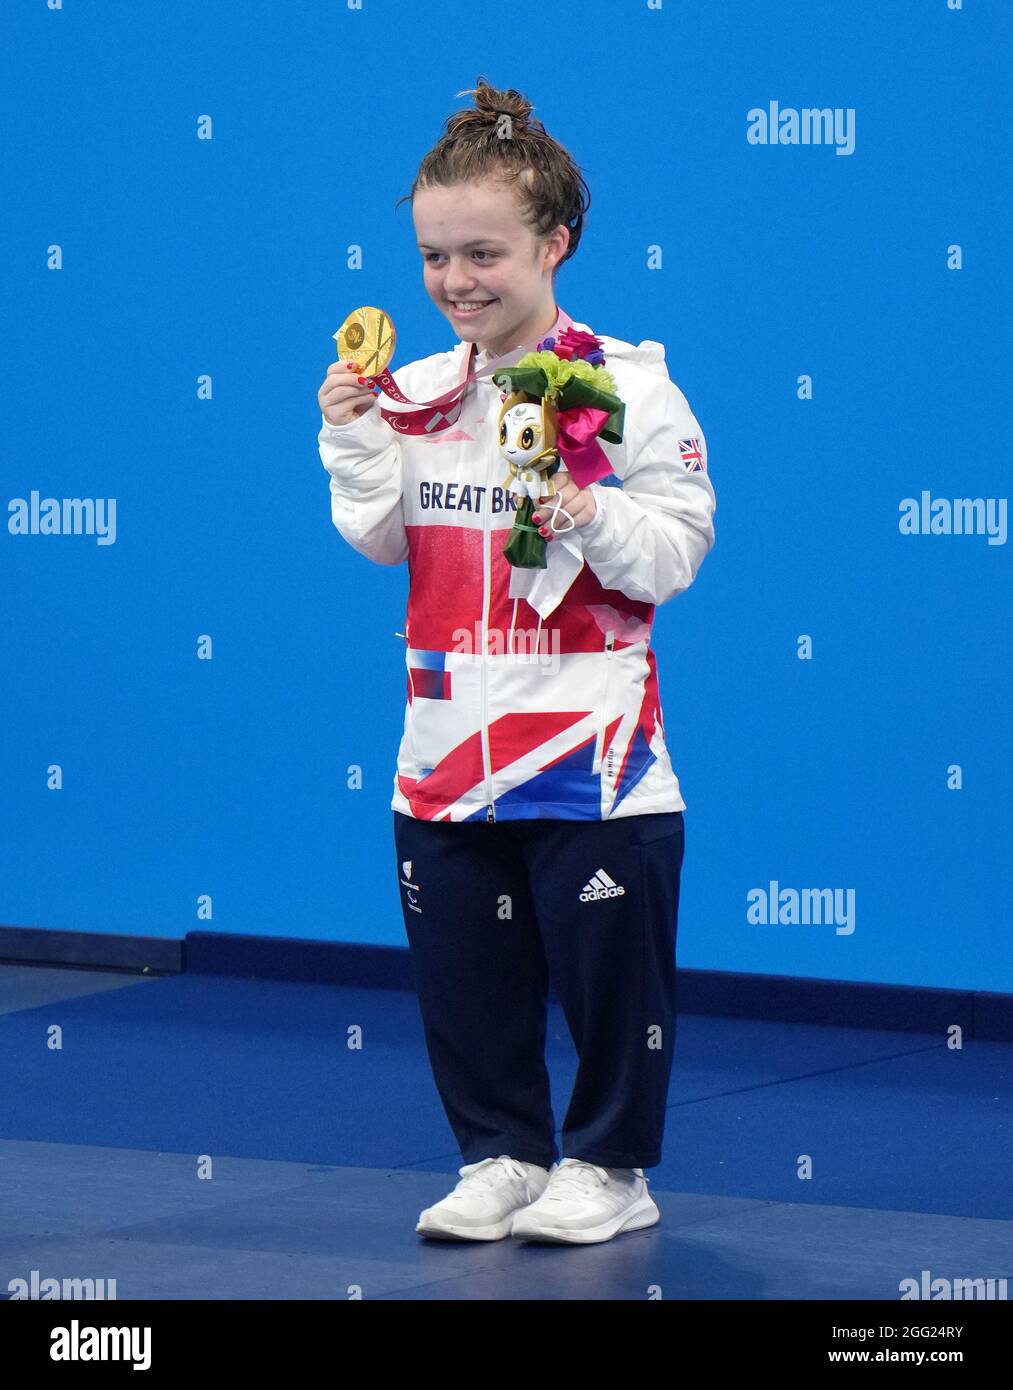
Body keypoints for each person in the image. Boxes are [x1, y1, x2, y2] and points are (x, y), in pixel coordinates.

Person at [315, 78, 716, 1246]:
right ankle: (496, 1152)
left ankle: (608, 1166)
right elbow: (381, 536)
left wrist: (584, 510)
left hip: (593, 759)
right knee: (466, 986)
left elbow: (675, 553)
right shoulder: (416, 395)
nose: (456, 283)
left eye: (483, 253)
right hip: (441, 753)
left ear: (555, 241)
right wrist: (349, 432)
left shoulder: (630, 391)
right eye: (435, 258)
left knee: (607, 985)